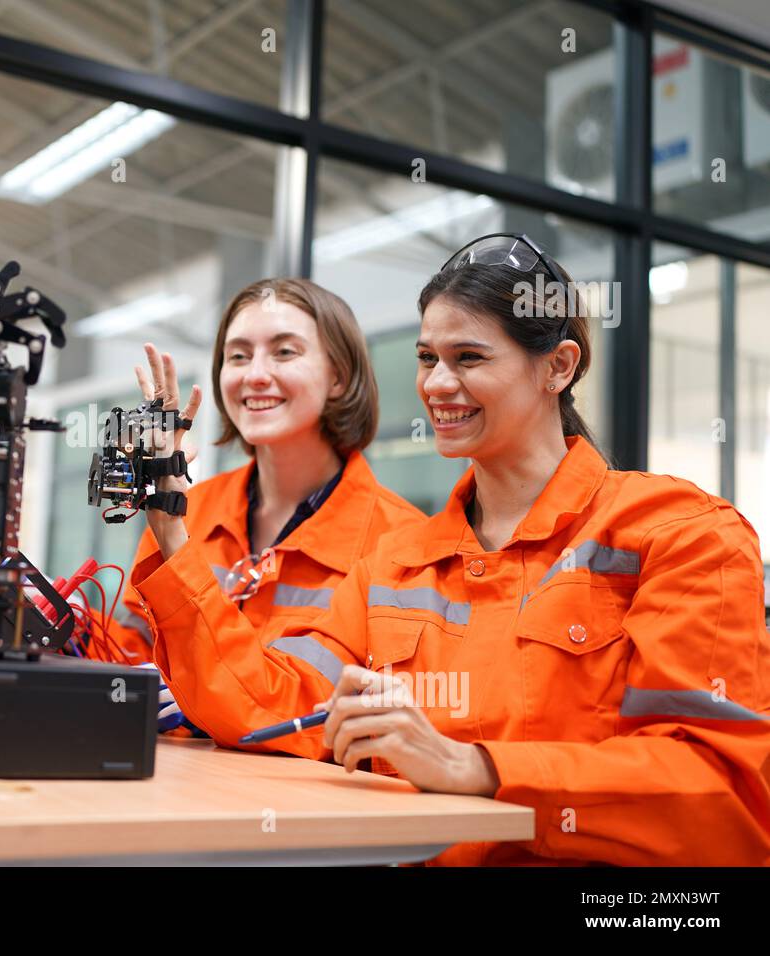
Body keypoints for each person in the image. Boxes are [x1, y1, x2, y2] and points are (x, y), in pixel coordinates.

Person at [147, 233, 770, 865]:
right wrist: (173, 530)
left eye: (468, 357)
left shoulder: (680, 533)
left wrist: (473, 767)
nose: (437, 384)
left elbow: (715, 787)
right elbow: (270, 706)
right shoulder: (396, 563)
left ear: (557, 366)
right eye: (426, 358)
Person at [73, 279, 426, 729]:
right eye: (238, 356)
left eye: (284, 352)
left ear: (339, 376)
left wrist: (202, 692)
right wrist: (60, 625)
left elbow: (317, 711)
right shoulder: (188, 507)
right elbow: (136, 656)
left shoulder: (401, 544)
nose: (255, 374)